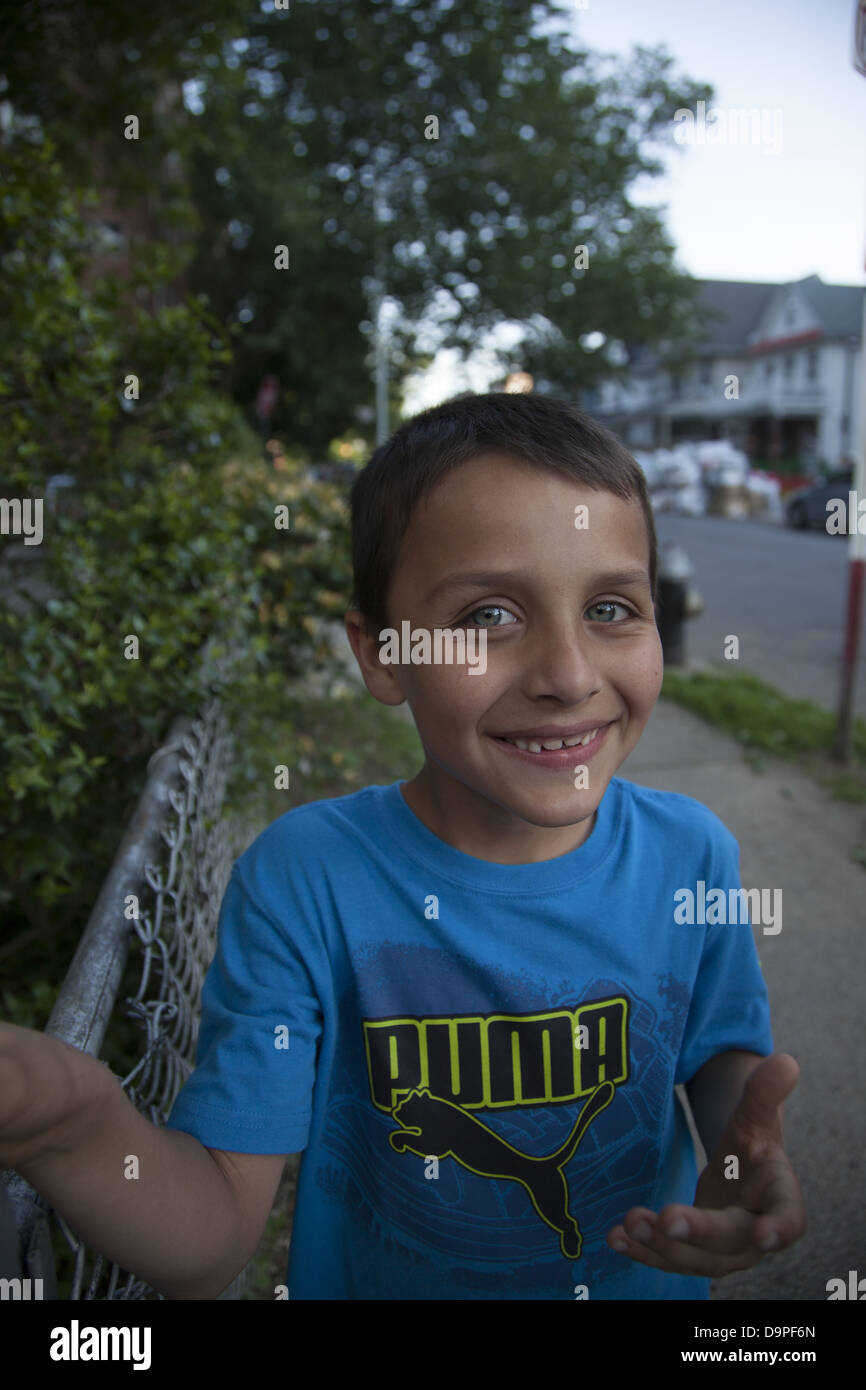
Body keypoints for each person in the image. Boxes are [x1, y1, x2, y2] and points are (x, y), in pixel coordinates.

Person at [0, 393, 805, 1301]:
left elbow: (716, 1059)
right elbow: (214, 1231)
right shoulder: (305, 883)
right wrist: (69, 1126)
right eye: (491, 616)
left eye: (612, 607)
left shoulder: (693, 857)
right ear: (383, 655)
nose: (570, 677)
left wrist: (740, 1156)